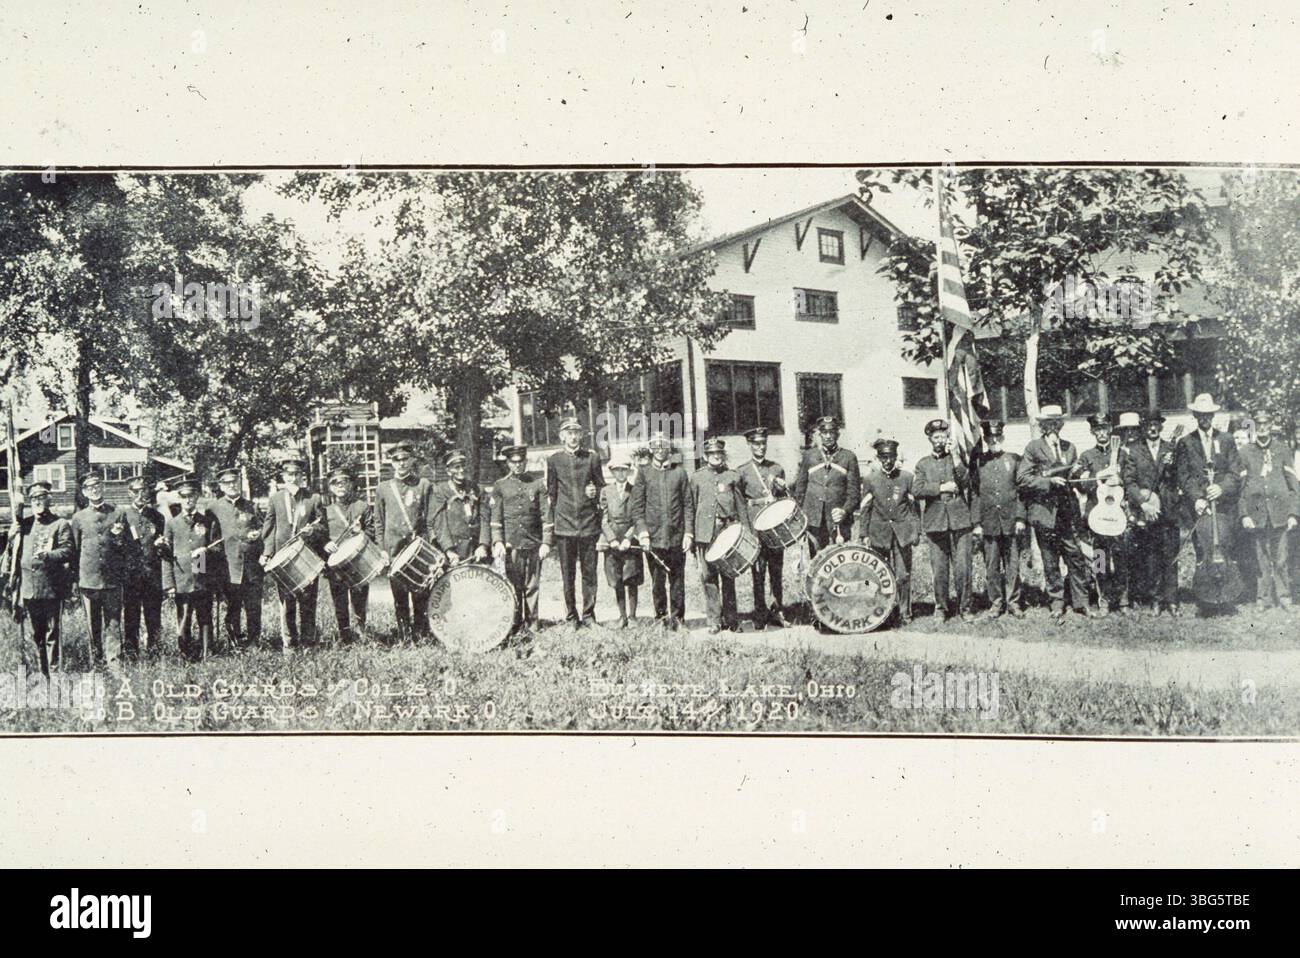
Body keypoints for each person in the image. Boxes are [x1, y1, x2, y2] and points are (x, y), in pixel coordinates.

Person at [1016, 405, 1093, 620]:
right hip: (1045, 514)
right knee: (1050, 562)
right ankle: (1057, 603)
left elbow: (1074, 474)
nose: (1053, 427)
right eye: (1049, 423)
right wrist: (1048, 482)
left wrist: (1080, 474)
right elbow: (1023, 479)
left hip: (1067, 513)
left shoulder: (1070, 448)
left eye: (1056, 422)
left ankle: (1081, 602)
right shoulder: (1033, 448)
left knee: (1075, 558)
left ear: (1060, 424)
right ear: (1042, 426)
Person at [1174, 393, 1244, 612]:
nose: (1204, 418)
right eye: (1200, 415)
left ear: (1213, 415)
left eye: (1208, 415)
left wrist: (1221, 488)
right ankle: (1205, 597)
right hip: (1200, 507)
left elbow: (1235, 472)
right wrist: (1197, 498)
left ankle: (1227, 594)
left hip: (1223, 506)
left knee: (1226, 548)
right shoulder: (1186, 442)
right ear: (1195, 416)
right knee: (1202, 550)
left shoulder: (1226, 439)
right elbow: (1184, 476)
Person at [259, 454, 328, 650]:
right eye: (289, 474)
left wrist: (312, 530)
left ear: (302, 475)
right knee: (287, 604)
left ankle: (308, 643)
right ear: (283, 476)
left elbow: (323, 527)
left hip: (306, 557)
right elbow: (269, 528)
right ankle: (289, 644)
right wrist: (267, 552)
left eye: (297, 474)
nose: (293, 478)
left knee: (308, 602)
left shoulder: (313, 498)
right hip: (284, 558)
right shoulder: (275, 499)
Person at [7, 482, 74, 676]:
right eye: (34, 499)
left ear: (49, 499)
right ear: (30, 502)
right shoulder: (24, 525)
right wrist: (12, 537)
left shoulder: (60, 524)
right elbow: (13, 554)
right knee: (35, 634)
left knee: (52, 633)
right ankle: (40, 672)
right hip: (28, 588)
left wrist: (49, 555)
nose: (38, 502)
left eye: (42, 498)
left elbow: (68, 551)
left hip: (51, 587)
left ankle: (55, 673)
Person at [374, 441, 437, 643]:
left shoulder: (423, 485)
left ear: (412, 460)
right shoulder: (383, 488)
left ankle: (421, 634)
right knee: (399, 597)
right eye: (396, 460)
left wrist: (429, 545)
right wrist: (382, 549)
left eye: (405, 459)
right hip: (394, 550)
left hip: (417, 548)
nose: (401, 463)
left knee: (421, 594)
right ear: (392, 463)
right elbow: (379, 522)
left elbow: (429, 519)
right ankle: (404, 636)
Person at [1236, 409, 1299, 611]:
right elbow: (1241, 488)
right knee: (1261, 558)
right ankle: (1263, 599)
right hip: (1257, 514)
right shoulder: (1245, 452)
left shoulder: (1282, 449)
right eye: (1258, 424)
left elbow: (1293, 484)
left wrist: (1293, 513)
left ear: (1271, 425)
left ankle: (1284, 596)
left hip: (1280, 513)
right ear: (1254, 426)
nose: (1262, 427)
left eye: (1266, 423)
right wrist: (1244, 514)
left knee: (1281, 557)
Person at [913, 418, 975, 623]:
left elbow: (967, 482)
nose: (940, 440)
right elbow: (917, 490)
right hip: (935, 522)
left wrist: (957, 456)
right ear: (930, 438)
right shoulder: (923, 464)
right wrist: (941, 488)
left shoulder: (956, 459)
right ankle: (941, 608)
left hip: (960, 520)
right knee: (939, 569)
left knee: (963, 567)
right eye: (936, 436)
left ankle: (965, 608)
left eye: (943, 436)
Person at [687, 437, 750, 633]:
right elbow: (690, 508)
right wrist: (690, 533)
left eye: (719, 454)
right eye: (712, 454)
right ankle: (714, 620)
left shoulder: (732, 476)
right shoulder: (697, 478)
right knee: (708, 576)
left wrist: (745, 530)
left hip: (727, 531)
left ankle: (732, 620)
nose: (716, 457)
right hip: (705, 533)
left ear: (723, 456)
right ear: (706, 456)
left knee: (728, 575)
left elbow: (740, 505)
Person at [546, 417, 604, 628]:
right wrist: (552, 527)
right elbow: (551, 494)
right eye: (568, 433)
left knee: (589, 574)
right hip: (564, 526)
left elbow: (601, 489)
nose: (572, 436)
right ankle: (571, 617)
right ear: (562, 436)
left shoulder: (592, 458)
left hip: (588, 525)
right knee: (567, 575)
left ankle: (589, 616)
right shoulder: (554, 460)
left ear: (581, 435)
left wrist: (594, 492)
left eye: (576, 432)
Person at [1124, 410, 1181, 616]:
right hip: (1147, 512)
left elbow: (1179, 477)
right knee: (1151, 557)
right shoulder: (1134, 450)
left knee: (1171, 557)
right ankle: (1156, 600)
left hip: (1168, 510)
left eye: (1156, 424)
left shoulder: (1171, 448)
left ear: (1161, 426)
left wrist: (1172, 464)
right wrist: (1142, 504)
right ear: (1144, 427)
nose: (1152, 428)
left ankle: (1172, 601)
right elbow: (1129, 482)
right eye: (1148, 425)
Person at [490, 445, 551, 637]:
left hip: (532, 543)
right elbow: (496, 518)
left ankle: (533, 622)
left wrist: (546, 543)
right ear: (508, 463)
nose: (518, 465)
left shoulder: (537, 484)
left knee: (532, 585)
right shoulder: (500, 486)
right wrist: (498, 541)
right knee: (513, 585)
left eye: (521, 461)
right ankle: (515, 622)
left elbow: (546, 516)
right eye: (513, 462)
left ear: (526, 462)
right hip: (511, 545)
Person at [70, 473, 130, 667]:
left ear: (103, 487)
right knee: (92, 624)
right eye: (89, 487)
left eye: (97, 485)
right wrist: (75, 579)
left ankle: (114, 663)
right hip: (89, 580)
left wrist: (119, 540)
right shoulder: (79, 518)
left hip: (112, 580)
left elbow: (125, 545)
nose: (94, 489)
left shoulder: (117, 512)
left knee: (113, 623)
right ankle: (95, 662)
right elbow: (76, 550)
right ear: (84, 492)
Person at [856, 438, 919, 624]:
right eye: (884, 457)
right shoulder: (870, 479)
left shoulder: (907, 478)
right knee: (879, 576)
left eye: (891, 457)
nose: (888, 461)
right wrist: (864, 534)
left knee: (903, 575)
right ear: (878, 458)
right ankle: (882, 612)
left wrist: (916, 531)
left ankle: (904, 613)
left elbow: (914, 508)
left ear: (896, 457)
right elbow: (865, 509)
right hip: (879, 534)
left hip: (902, 534)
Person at [632, 431, 690, 630]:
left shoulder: (679, 473)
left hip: (676, 537)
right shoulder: (644, 472)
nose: (659, 450)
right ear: (651, 449)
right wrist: (642, 533)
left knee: (677, 579)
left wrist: (688, 533)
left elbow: (688, 505)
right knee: (657, 582)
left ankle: (679, 619)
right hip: (654, 538)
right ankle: (661, 618)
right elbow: (637, 507)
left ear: (669, 449)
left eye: (663, 446)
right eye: (655, 447)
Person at [1076, 412, 1133, 616]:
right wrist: (1098, 476)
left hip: (1117, 516)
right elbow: (1079, 482)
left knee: (1120, 559)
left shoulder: (1123, 454)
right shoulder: (1087, 456)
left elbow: (1132, 479)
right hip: (1097, 518)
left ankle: (1124, 601)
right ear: (1093, 432)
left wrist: (1120, 480)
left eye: (1105, 428)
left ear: (1110, 429)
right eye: (1097, 429)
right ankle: (1104, 601)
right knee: (1100, 560)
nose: (1102, 433)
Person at [734, 425, 789, 629]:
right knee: (758, 571)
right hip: (756, 526)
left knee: (777, 570)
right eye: (756, 444)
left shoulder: (777, 468)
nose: (760, 447)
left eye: (763, 443)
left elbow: (784, 500)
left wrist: (783, 488)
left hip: (773, 528)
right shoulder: (743, 471)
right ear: (749, 445)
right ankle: (760, 612)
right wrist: (747, 529)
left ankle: (778, 610)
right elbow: (740, 502)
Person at [970, 420, 1027, 618]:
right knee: (992, 565)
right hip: (989, 522)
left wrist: (1020, 518)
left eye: (998, 437)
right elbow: (975, 493)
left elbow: (1021, 491)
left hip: (1011, 521)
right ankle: (996, 602)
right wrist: (976, 523)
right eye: (990, 437)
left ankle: (1013, 602)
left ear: (1002, 437)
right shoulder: (978, 462)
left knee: (1012, 564)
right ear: (985, 439)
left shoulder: (1014, 459)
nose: (995, 440)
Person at [205, 466, 264, 650]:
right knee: (233, 607)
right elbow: (210, 540)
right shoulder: (213, 508)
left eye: (234, 482)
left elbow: (263, 529)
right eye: (227, 483)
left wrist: (258, 534)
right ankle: (235, 643)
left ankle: (254, 642)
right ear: (221, 486)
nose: (231, 485)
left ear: (239, 483)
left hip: (252, 567)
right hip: (229, 567)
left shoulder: (251, 505)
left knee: (253, 607)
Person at [162, 478, 221, 660]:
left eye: (192, 496)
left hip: (202, 576)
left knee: (205, 617)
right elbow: (166, 555)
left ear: (197, 497)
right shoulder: (172, 523)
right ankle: (186, 654)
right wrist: (169, 584)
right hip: (182, 579)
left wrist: (206, 550)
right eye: (184, 496)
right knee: (184, 617)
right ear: (178, 498)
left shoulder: (206, 521)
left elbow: (217, 546)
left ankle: (206, 653)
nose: (188, 500)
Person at [321, 465, 375, 643]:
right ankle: (344, 635)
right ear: (330, 487)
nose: (340, 486)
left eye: (344, 482)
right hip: (336, 564)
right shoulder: (326, 510)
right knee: (340, 601)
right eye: (335, 483)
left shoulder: (362, 506)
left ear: (351, 484)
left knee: (360, 598)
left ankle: (361, 632)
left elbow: (374, 531)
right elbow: (321, 535)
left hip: (358, 561)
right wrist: (326, 544)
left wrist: (362, 532)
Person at [793, 416, 861, 554]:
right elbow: (800, 489)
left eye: (832, 432)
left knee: (841, 560)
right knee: (817, 560)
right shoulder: (809, 456)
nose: (828, 436)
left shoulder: (848, 457)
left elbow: (854, 493)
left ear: (838, 434)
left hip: (839, 520)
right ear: (820, 434)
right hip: (814, 520)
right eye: (824, 432)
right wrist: (801, 517)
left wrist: (845, 511)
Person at [120, 476, 168, 657]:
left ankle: (155, 653)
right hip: (131, 577)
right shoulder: (123, 516)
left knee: (153, 616)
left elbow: (163, 546)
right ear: (129, 493)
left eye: (145, 491)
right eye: (136, 491)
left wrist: (162, 545)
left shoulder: (157, 516)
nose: (141, 495)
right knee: (131, 617)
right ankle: (131, 654)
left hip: (152, 575)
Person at [597, 456, 643, 628]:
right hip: (613, 540)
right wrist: (612, 539)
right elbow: (603, 519)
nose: (621, 473)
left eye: (624, 470)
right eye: (617, 470)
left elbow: (639, 517)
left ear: (628, 471)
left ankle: (632, 617)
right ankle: (622, 616)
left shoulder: (635, 490)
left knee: (631, 577)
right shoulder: (606, 491)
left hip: (630, 538)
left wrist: (628, 538)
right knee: (616, 579)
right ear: (612, 472)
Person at [430, 451, 490, 564]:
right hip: (454, 554)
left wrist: (483, 545)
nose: (461, 470)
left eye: (463, 466)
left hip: (477, 552)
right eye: (456, 467)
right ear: (448, 471)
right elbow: (440, 525)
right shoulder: (440, 491)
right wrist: (449, 550)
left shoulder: (476, 489)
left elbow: (485, 519)